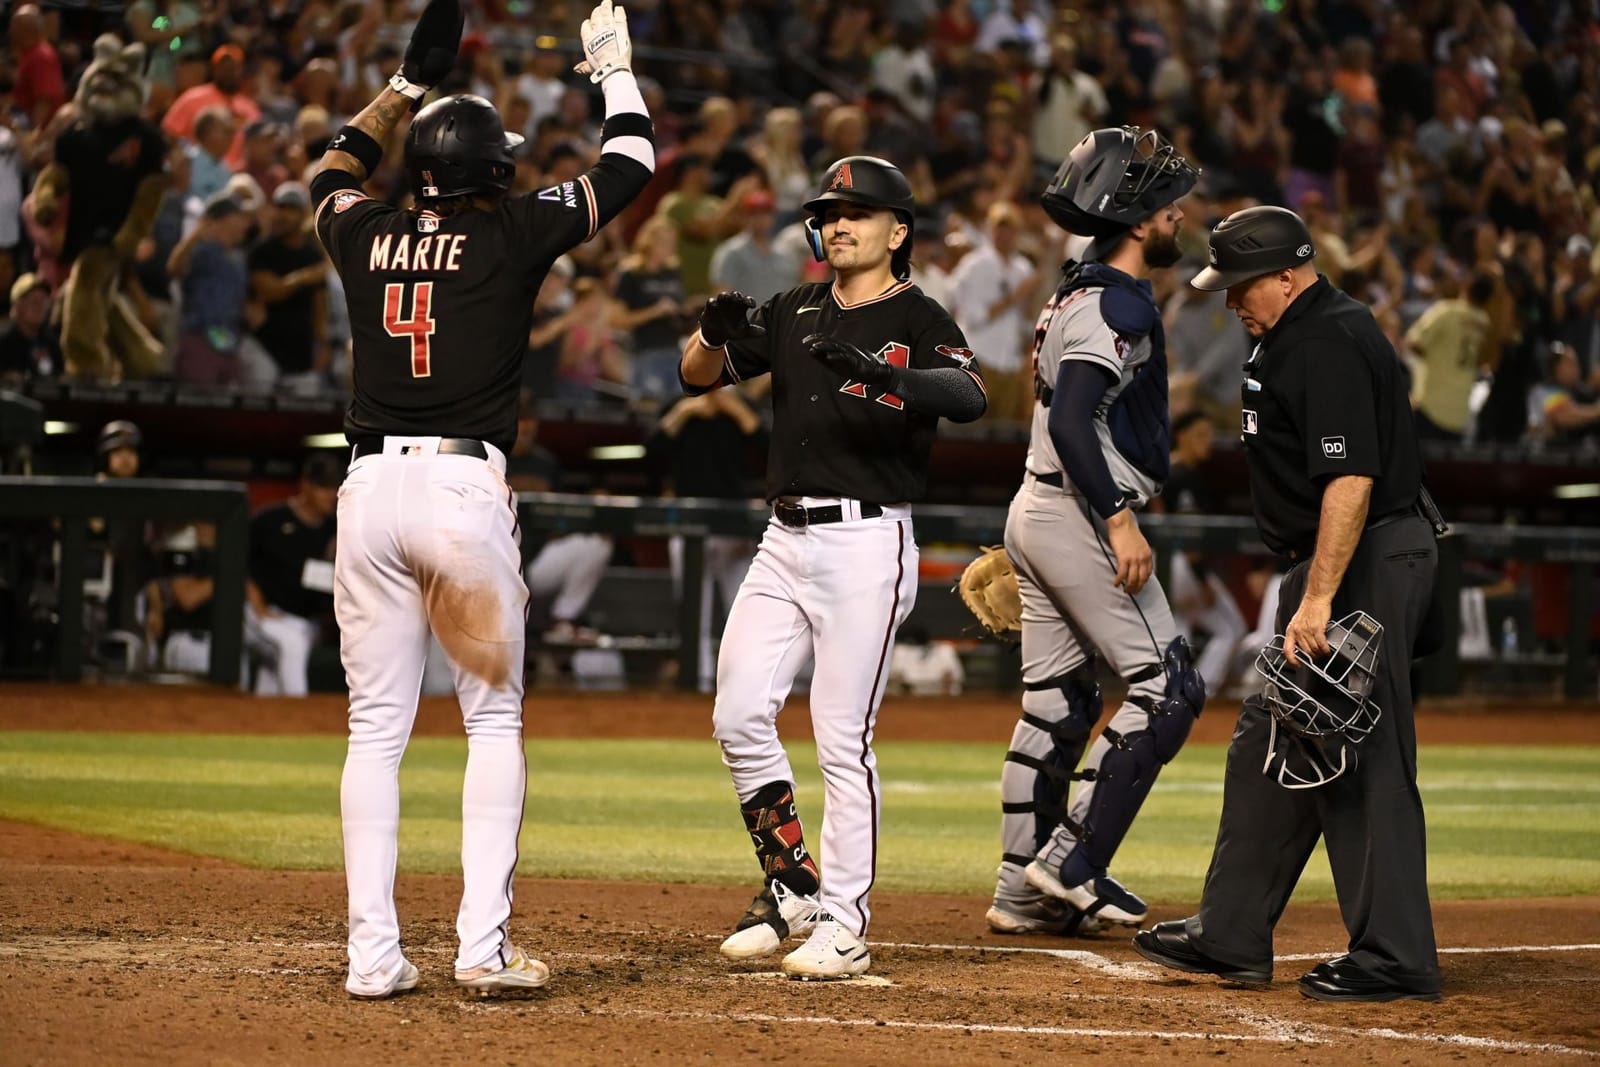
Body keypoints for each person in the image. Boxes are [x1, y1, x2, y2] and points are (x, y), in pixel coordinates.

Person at [311, 0, 654, 999]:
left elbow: (331, 168)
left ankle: (373, 957)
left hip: (368, 488)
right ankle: (481, 949)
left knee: (374, 732)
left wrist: (403, 86)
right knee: (491, 724)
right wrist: (613, 73)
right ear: (494, 172)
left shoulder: (362, 229)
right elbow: (631, 162)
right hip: (461, 488)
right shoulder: (510, 230)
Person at [680, 155, 986, 979]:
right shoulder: (796, 307)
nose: (838, 223)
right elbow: (694, 376)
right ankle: (793, 886)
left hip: (865, 539)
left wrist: (890, 375)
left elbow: (969, 396)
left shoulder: (919, 313)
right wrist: (711, 333)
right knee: (739, 713)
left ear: (898, 230)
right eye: (829, 212)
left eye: (856, 212)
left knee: (842, 738)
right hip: (783, 538)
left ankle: (845, 922)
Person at [1134, 205, 1443, 1003]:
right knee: (1272, 742)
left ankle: (1395, 954)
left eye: (1242, 285)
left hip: (1362, 558)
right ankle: (1231, 930)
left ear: (1286, 274)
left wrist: (1319, 597)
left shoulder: (1326, 338)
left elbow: (1351, 478)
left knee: (1360, 747)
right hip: (1341, 559)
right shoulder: (1298, 333)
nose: (1232, 299)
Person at [987, 127, 1205, 938]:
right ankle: (1070, 861)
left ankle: (1019, 891)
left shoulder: (1074, 287)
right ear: (1138, 218)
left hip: (1042, 500)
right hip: (1081, 505)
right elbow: (1074, 420)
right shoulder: (1119, 300)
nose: (1180, 215)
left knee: (1058, 703)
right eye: (1169, 204)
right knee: (1168, 687)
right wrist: (1117, 519)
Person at [1160, 412, 1247, 695]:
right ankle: (1201, 689)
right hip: (1182, 565)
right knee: (1231, 629)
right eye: (1200, 434)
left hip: (1163, 564)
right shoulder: (1182, 475)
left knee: (1181, 627)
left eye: (1209, 434)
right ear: (1181, 436)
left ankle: (1176, 689)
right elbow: (1188, 535)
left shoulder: (1163, 468)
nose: (1207, 441)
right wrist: (1202, 578)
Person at [245, 453, 339, 697]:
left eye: (335, 487)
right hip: (260, 613)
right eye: (324, 487)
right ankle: (299, 706)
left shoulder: (338, 528)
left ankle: (270, 716)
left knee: (271, 678)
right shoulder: (269, 520)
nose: (331, 495)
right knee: (291, 644)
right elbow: (239, 567)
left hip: (304, 622)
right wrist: (259, 608)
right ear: (305, 485)